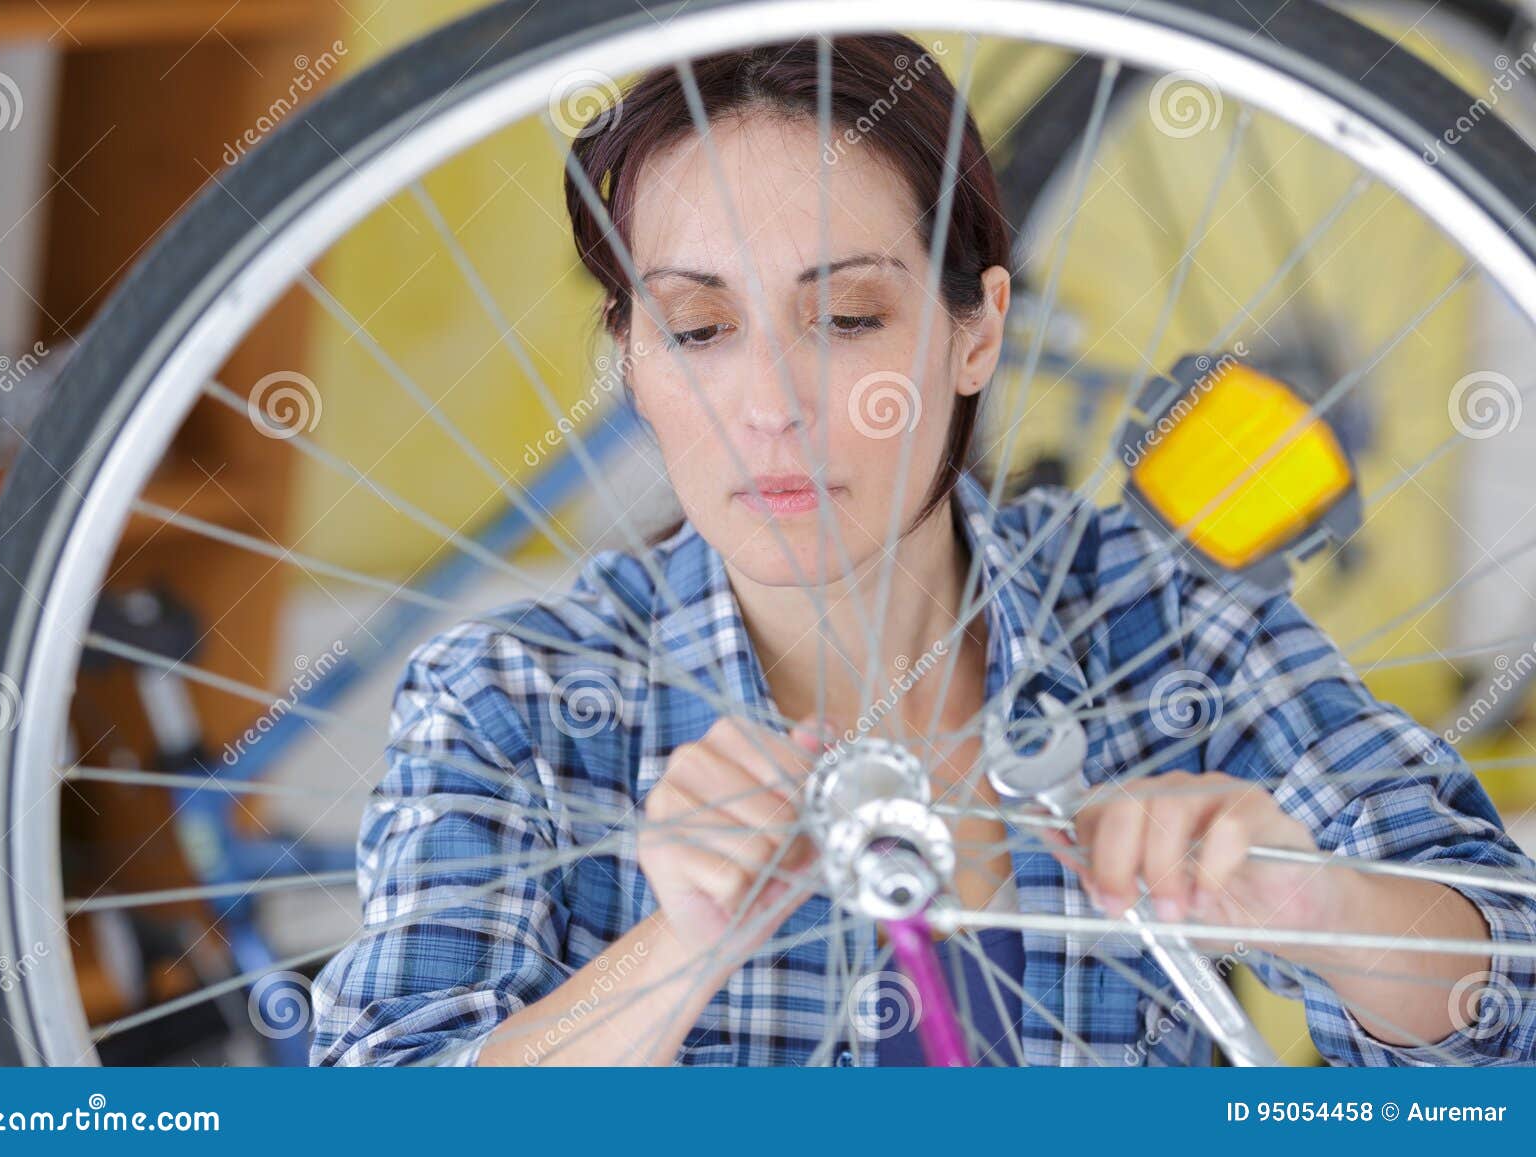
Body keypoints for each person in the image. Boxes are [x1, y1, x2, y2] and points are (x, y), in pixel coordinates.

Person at [310, 34, 1536, 1067]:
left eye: (846, 317)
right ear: (630, 358)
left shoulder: (1167, 622)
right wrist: (680, 941)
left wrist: (1317, 902)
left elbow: (1510, 986)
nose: (769, 402)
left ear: (975, 331)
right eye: (696, 327)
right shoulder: (510, 703)